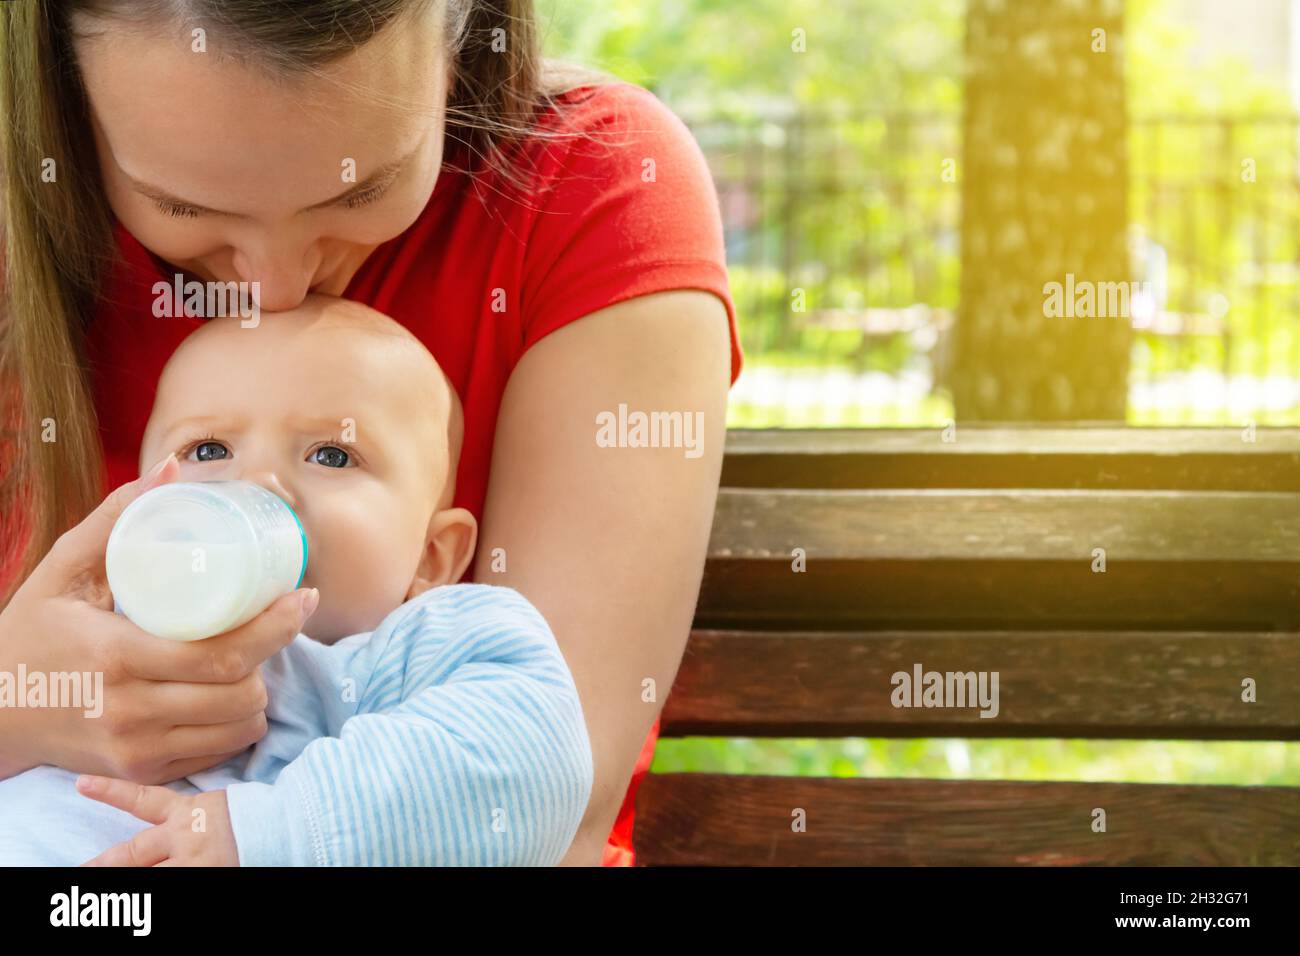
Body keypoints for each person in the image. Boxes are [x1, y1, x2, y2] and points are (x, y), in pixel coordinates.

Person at [0, 0, 740, 866]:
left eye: (361, 190)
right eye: (182, 206)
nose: (273, 294)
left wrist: (266, 833)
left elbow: (544, 803)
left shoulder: (593, 185)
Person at [2, 298, 594, 866]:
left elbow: (527, 761)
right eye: (209, 448)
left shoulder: (424, 650)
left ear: (432, 559)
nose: (257, 481)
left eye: (331, 455)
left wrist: (275, 834)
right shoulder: (88, 630)